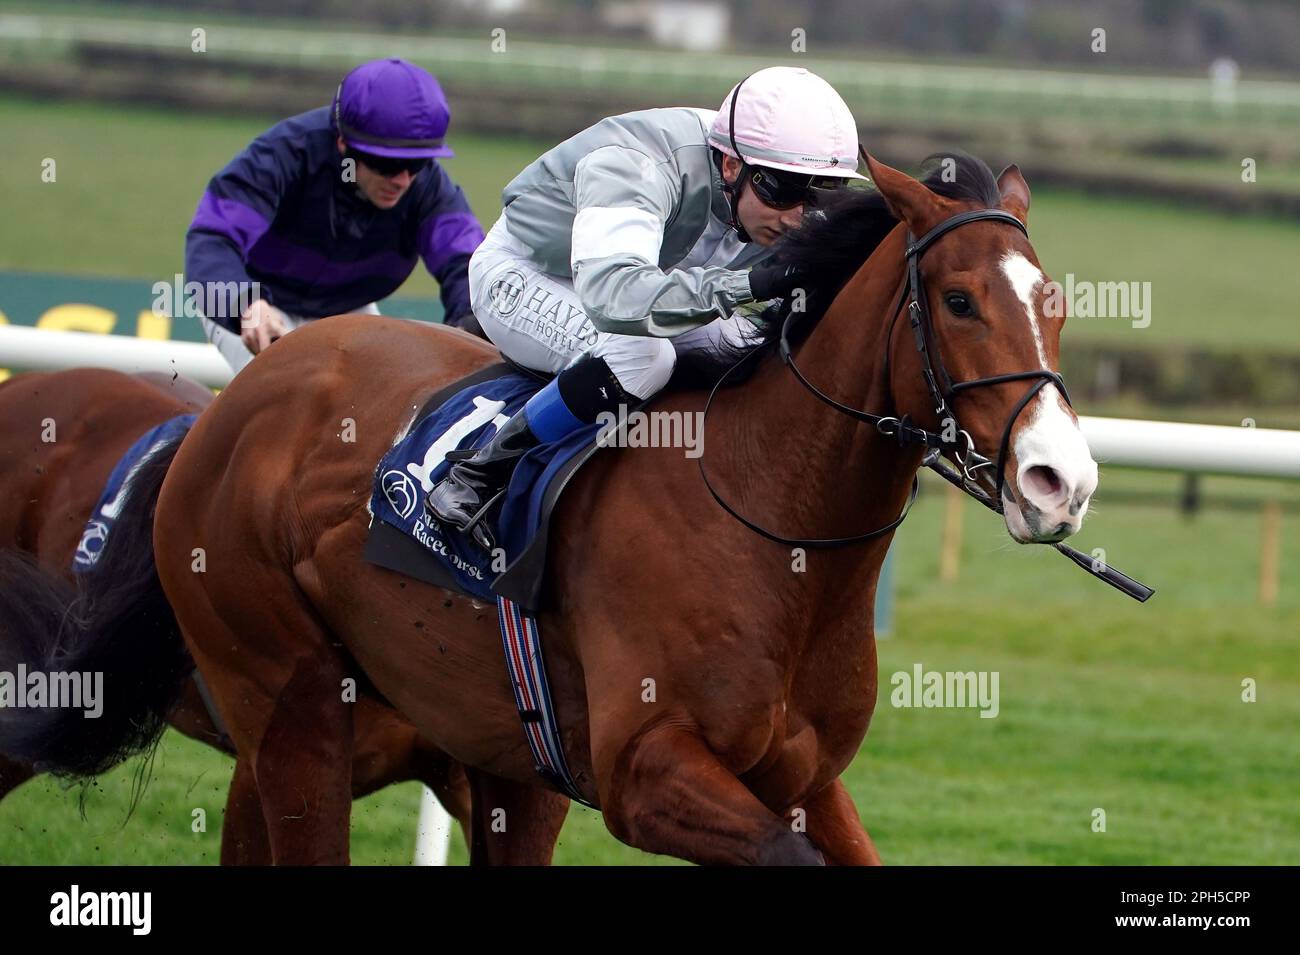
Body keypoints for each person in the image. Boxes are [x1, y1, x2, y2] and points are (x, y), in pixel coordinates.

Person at [425, 66, 866, 546]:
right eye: (781, 188)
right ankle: (479, 475)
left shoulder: (760, 184)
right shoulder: (638, 165)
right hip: (529, 274)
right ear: (731, 167)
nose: (799, 217)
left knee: (752, 351)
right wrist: (752, 283)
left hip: (653, 284)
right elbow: (617, 299)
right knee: (642, 359)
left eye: (819, 193)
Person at [184, 58, 485, 373]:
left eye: (418, 164)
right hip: (255, 303)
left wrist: (466, 325)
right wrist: (245, 304)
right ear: (343, 142)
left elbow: (466, 263)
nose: (403, 180)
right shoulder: (281, 155)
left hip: (345, 310)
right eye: (387, 165)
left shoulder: (428, 186)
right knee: (293, 401)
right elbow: (212, 237)